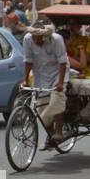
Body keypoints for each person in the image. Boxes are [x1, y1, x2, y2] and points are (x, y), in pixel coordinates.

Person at [23, 19, 69, 149]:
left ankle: (59, 131)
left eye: (39, 39)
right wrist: (25, 79)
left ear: (45, 36)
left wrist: (60, 82)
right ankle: (50, 136)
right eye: (34, 38)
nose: (36, 41)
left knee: (56, 100)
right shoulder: (27, 39)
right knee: (41, 106)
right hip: (40, 73)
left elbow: (62, 61)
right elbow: (28, 60)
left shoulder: (56, 39)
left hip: (58, 72)